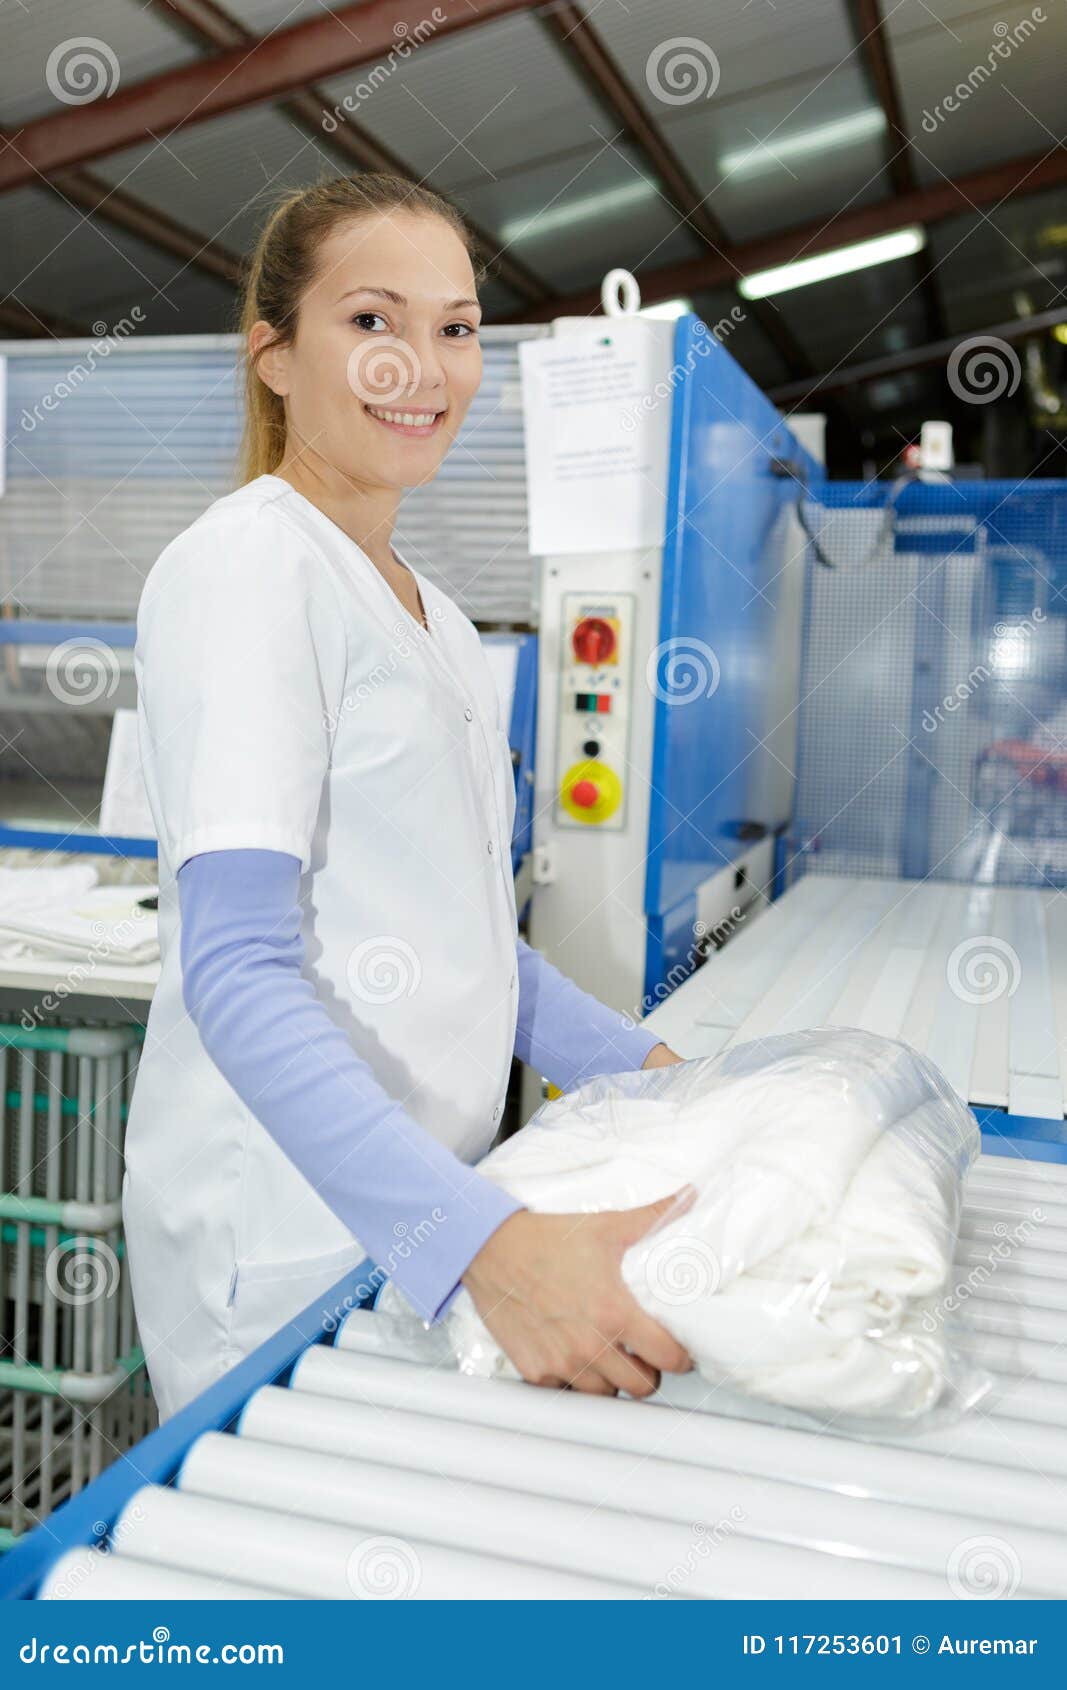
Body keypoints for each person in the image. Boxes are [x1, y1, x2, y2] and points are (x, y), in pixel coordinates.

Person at [123, 173, 692, 1422]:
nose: (420, 367)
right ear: (275, 356)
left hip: (418, 1219)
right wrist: (485, 1246)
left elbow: (466, 945)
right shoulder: (249, 568)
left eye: (456, 327)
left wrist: (661, 1073)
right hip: (284, 1234)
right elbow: (236, 970)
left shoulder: (432, 615)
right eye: (371, 320)